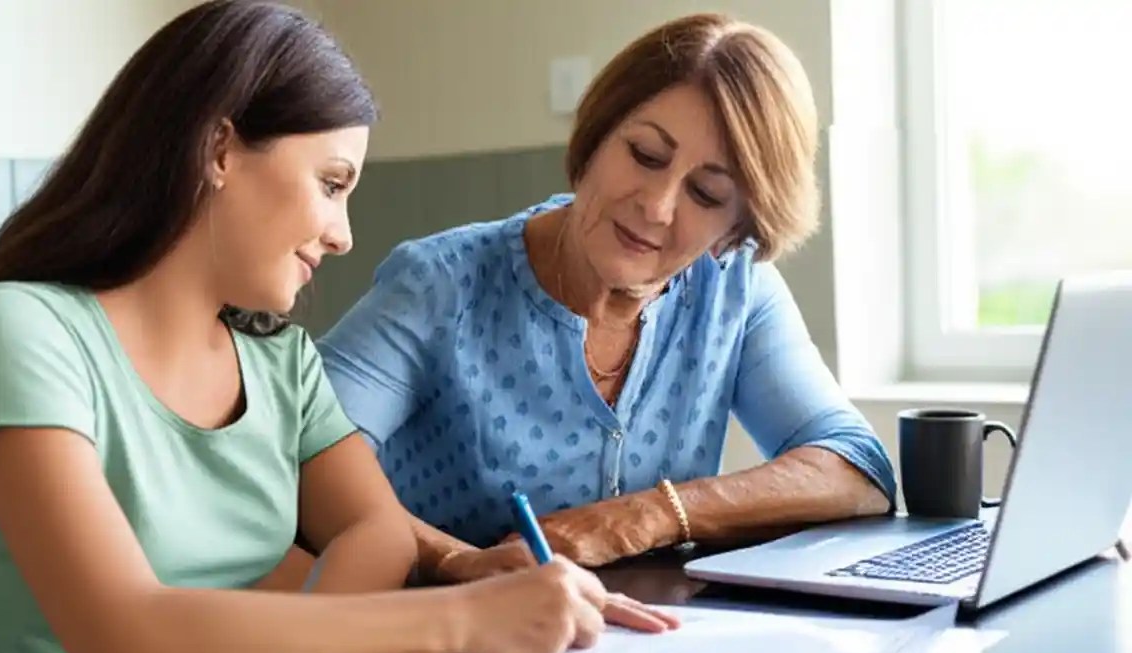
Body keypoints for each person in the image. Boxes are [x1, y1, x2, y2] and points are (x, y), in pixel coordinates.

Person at [0, 3, 674, 653]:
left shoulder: (280, 362)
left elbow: (379, 531)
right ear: (219, 148)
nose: (343, 234)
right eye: (331, 185)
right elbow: (123, 643)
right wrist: (460, 622)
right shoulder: (21, 329)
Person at [317, 13, 897, 584]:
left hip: (637, 644)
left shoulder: (737, 292)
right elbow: (298, 460)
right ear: (597, 137)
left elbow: (856, 469)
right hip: (437, 650)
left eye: (706, 192)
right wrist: (457, 562)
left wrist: (648, 516)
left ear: (735, 230)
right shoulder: (441, 283)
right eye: (645, 155)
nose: (658, 205)